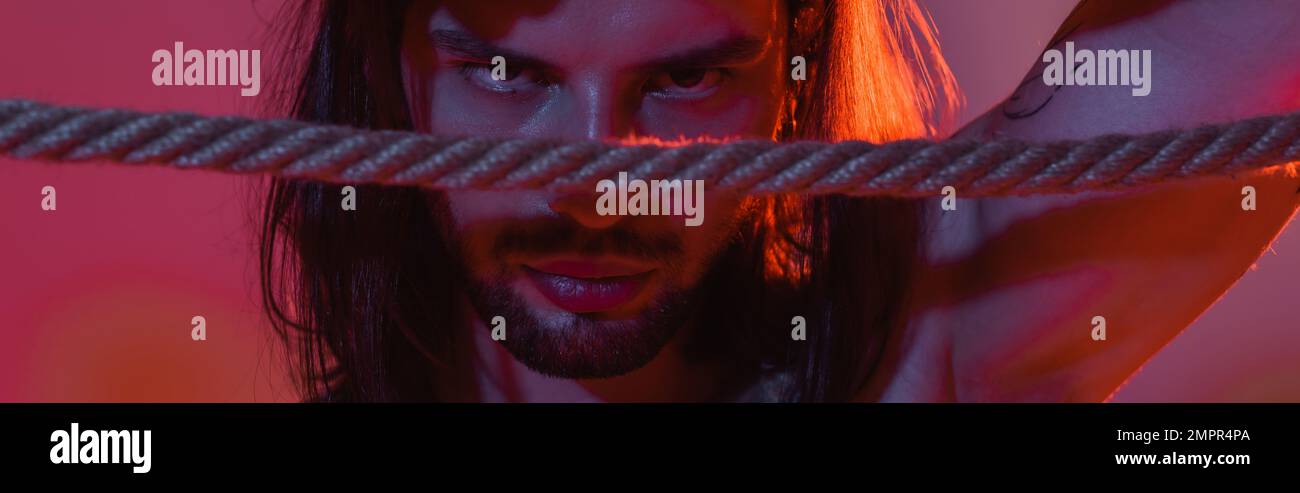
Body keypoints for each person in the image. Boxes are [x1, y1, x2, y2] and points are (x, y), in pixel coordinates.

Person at [260, 0, 1300, 402]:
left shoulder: (917, 331)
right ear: (389, 66)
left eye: (685, 80)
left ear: (792, 70)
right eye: (507, 76)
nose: (595, 184)